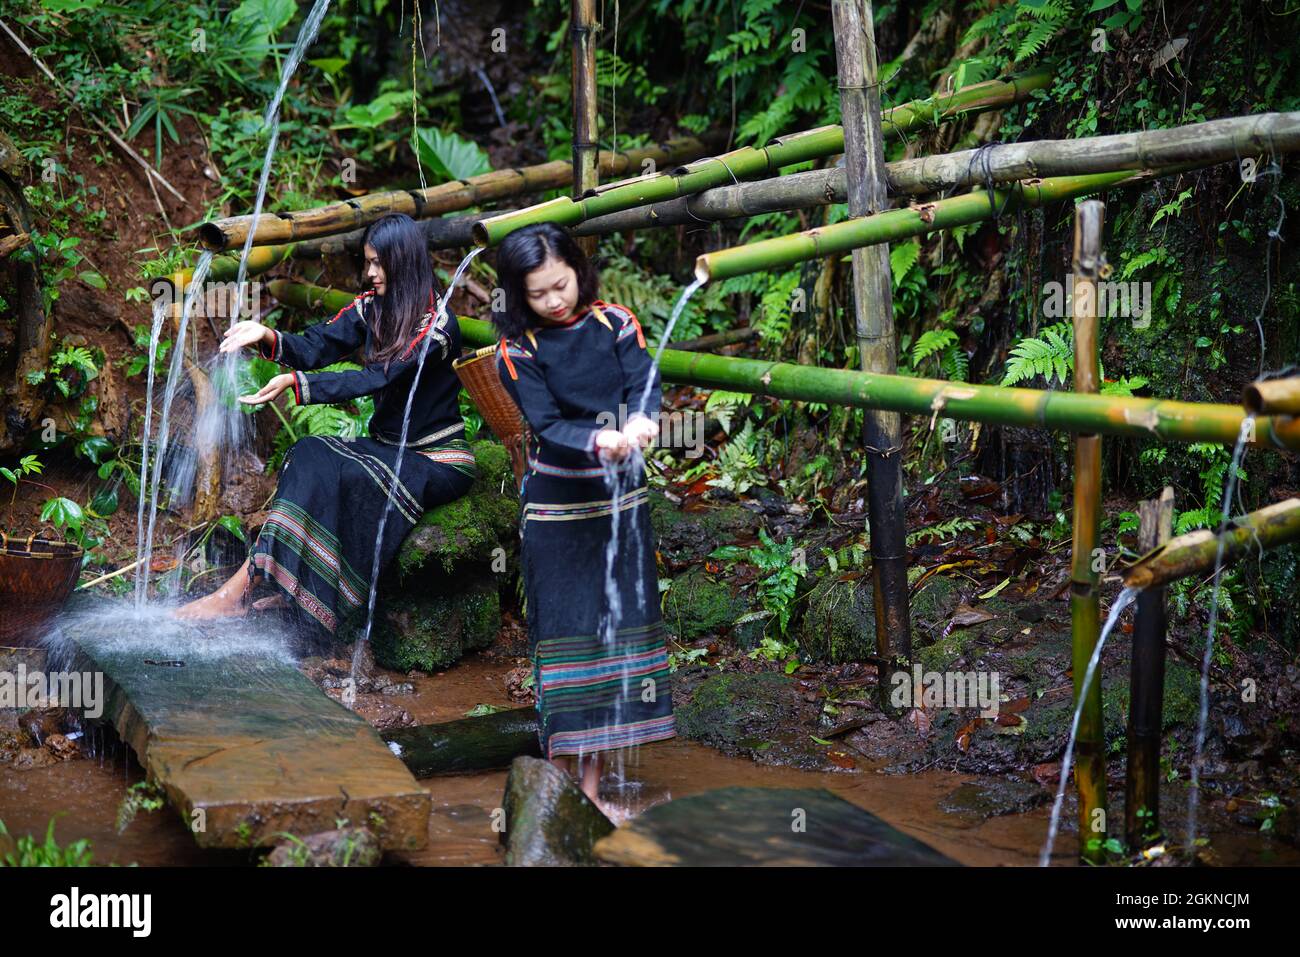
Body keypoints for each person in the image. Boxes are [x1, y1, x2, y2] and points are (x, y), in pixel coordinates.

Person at [175, 213, 476, 644]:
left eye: (379, 263)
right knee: (312, 451)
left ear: (405, 262)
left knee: (343, 469)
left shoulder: (439, 325)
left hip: (436, 460)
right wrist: (266, 335)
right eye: (367, 262)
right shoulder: (372, 308)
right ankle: (276, 584)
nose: (370, 273)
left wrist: (298, 385)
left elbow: (380, 376)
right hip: (387, 449)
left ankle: (238, 593)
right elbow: (317, 344)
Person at [493, 222, 675, 807]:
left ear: (578, 270)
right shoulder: (517, 351)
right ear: (517, 297)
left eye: (561, 285)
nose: (553, 301)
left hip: (619, 501)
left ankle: (592, 791)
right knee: (565, 639)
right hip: (557, 510)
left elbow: (645, 381)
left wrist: (644, 419)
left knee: (612, 639)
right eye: (538, 294)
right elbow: (546, 425)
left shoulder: (616, 322)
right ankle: (561, 788)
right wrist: (599, 441)